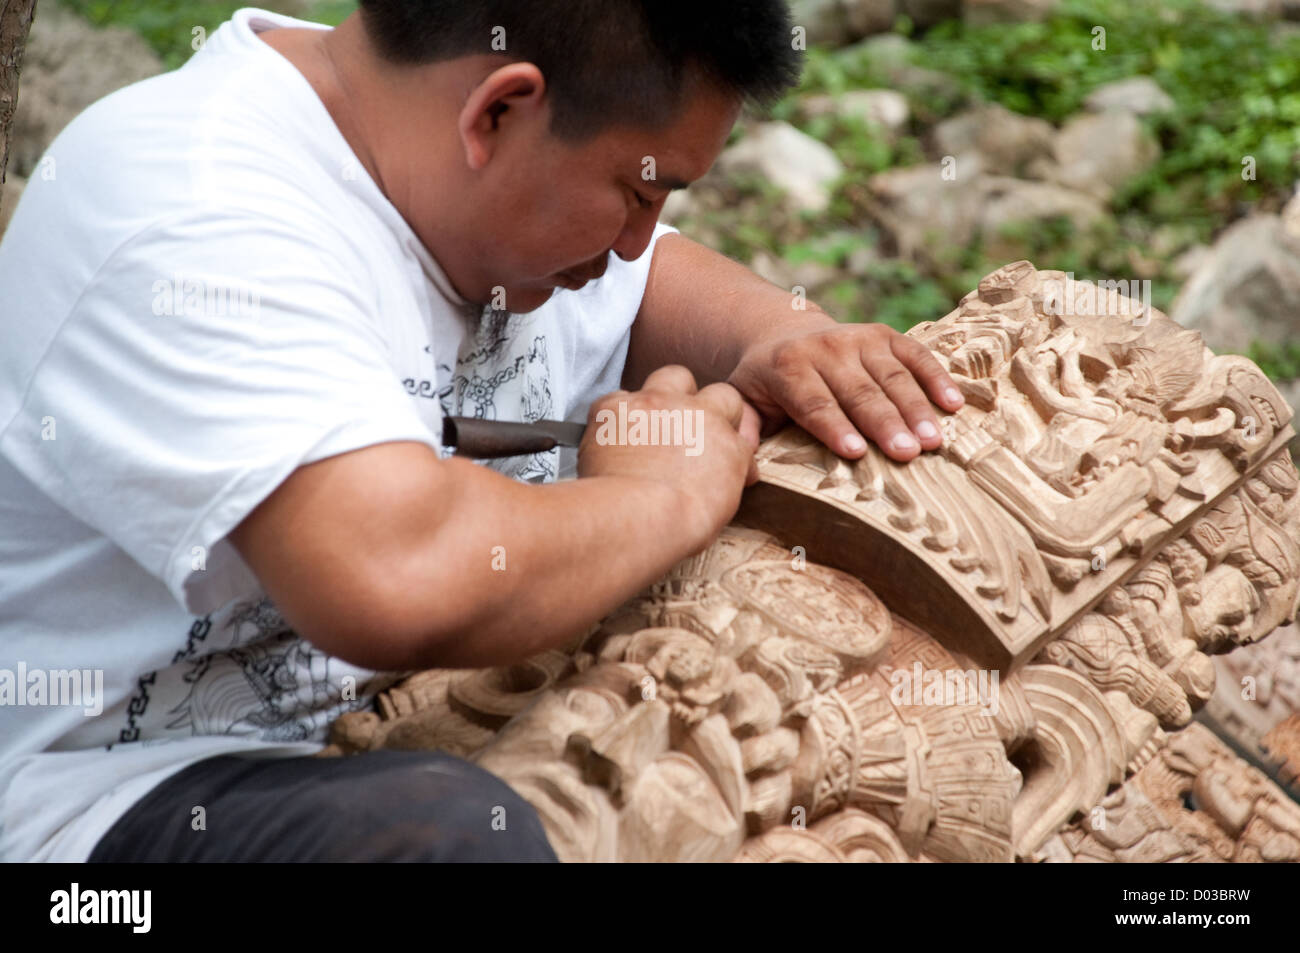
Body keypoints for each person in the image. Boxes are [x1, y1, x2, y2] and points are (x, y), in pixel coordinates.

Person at [0, 0, 962, 862]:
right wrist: (662, 492)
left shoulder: (473, 196)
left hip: (380, 719)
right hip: (93, 804)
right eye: (638, 192)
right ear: (498, 110)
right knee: (447, 841)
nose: (636, 238)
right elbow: (390, 573)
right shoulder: (195, 211)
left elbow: (656, 283)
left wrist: (791, 338)